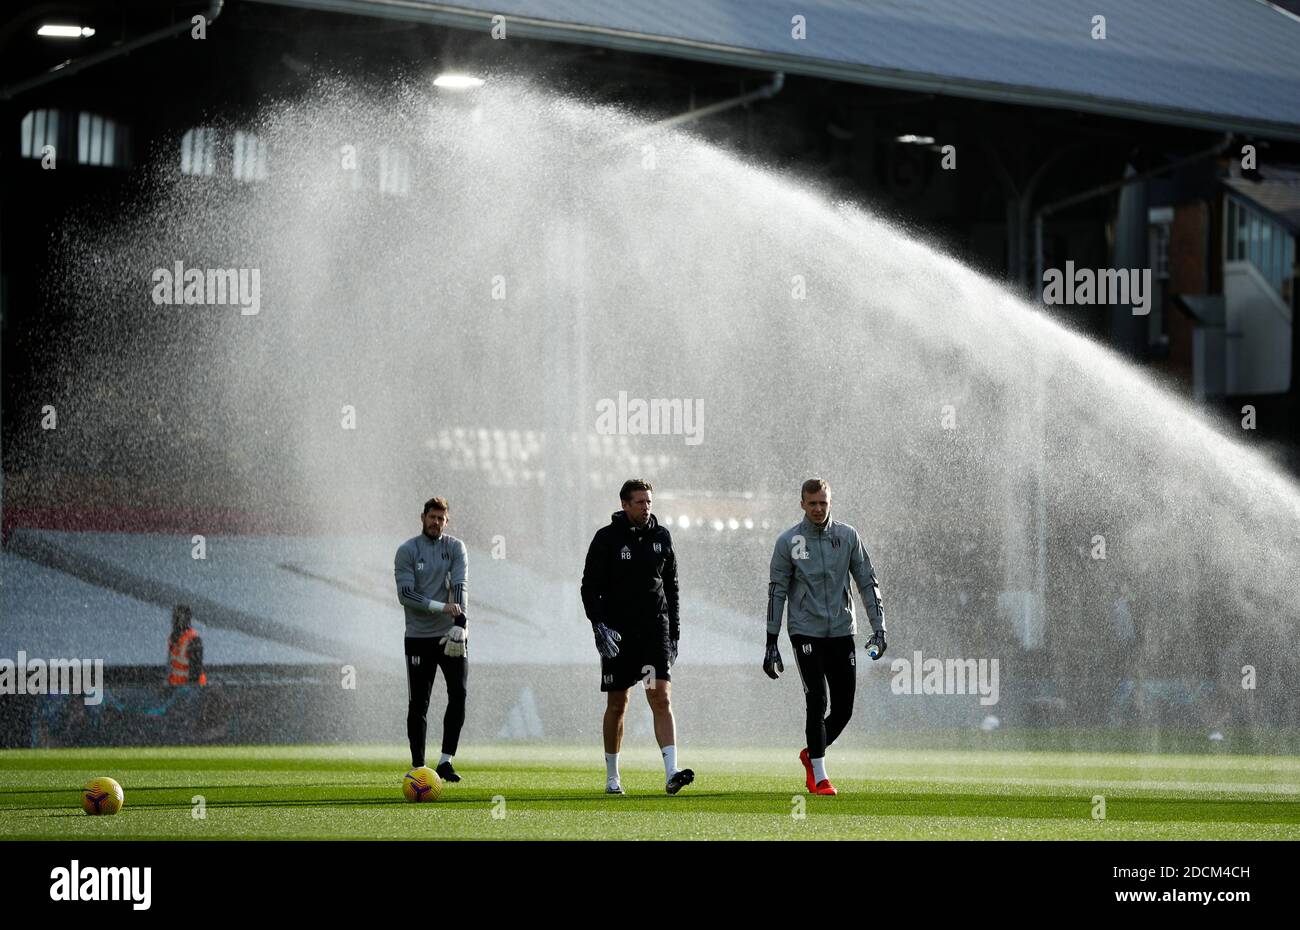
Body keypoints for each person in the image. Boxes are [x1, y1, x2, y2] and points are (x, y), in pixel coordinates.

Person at [764, 478, 886, 795]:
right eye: (812, 503)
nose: (818, 509)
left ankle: (810, 753)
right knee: (816, 700)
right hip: (805, 631)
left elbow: (867, 582)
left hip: (843, 630)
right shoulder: (788, 541)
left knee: (844, 709)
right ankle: (819, 775)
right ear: (802, 503)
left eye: (823, 503)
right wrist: (771, 641)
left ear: (831, 502)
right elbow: (777, 591)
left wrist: (879, 627)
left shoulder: (847, 537)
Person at [581, 478, 693, 796]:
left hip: (654, 632)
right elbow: (589, 588)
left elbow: (671, 587)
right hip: (618, 633)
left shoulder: (661, 536)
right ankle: (612, 777)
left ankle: (672, 772)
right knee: (618, 703)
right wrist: (598, 625)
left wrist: (675, 633)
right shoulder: (606, 539)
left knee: (660, 697)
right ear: (624, 504)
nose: (646, 507)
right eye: (640, 502)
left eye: (649, 502)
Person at [394, 496, 469, 783]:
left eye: (441, 518)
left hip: (450, 635)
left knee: (459, 694)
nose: (436, 523)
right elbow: (406, 595)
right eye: (432, 517)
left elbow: (461, 584)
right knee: (418, 703)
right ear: (422, 517)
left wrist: (461, 623)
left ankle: (446, 762)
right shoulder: (408, 550)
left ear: (446, 521)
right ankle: (418, 767)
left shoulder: (455, 548)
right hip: (419, 637)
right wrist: (442, 607)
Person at [167, 605, 207, 687]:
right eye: (174, 617)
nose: (173, 621)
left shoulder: (194, 641)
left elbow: (195, 676)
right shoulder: (173, 639)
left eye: (177, 618)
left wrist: (184, 691)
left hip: (191, 691)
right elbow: (171, 668)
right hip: (174, 687)